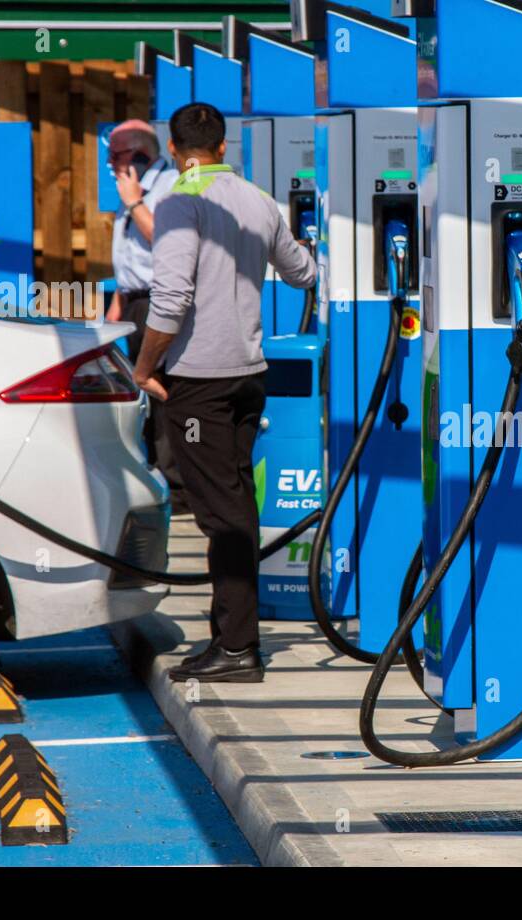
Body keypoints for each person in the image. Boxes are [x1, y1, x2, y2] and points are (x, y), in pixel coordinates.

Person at [132, 102, 316, 683]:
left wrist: (142, 367)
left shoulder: (180, 203)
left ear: (172, 147)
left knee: (222, 515)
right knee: (234, 500)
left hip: (200, 382)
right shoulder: (258, 200)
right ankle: (233, 638)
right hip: (247, 374)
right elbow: (304, 273)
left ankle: (237, 647)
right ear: (223, 147)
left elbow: (170, 300)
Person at [105, 118, 187, 512]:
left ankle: (180, 486)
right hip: (135, 302)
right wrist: (113, 315)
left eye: (116, 154)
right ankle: (157, 473)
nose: (109, 162)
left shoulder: (168, 189)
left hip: (162, 300)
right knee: (143, 394)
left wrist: (136, 202)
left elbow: (167, 243)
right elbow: (129, 266)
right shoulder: (128, 196)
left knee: (164, 388)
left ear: (139, 155)